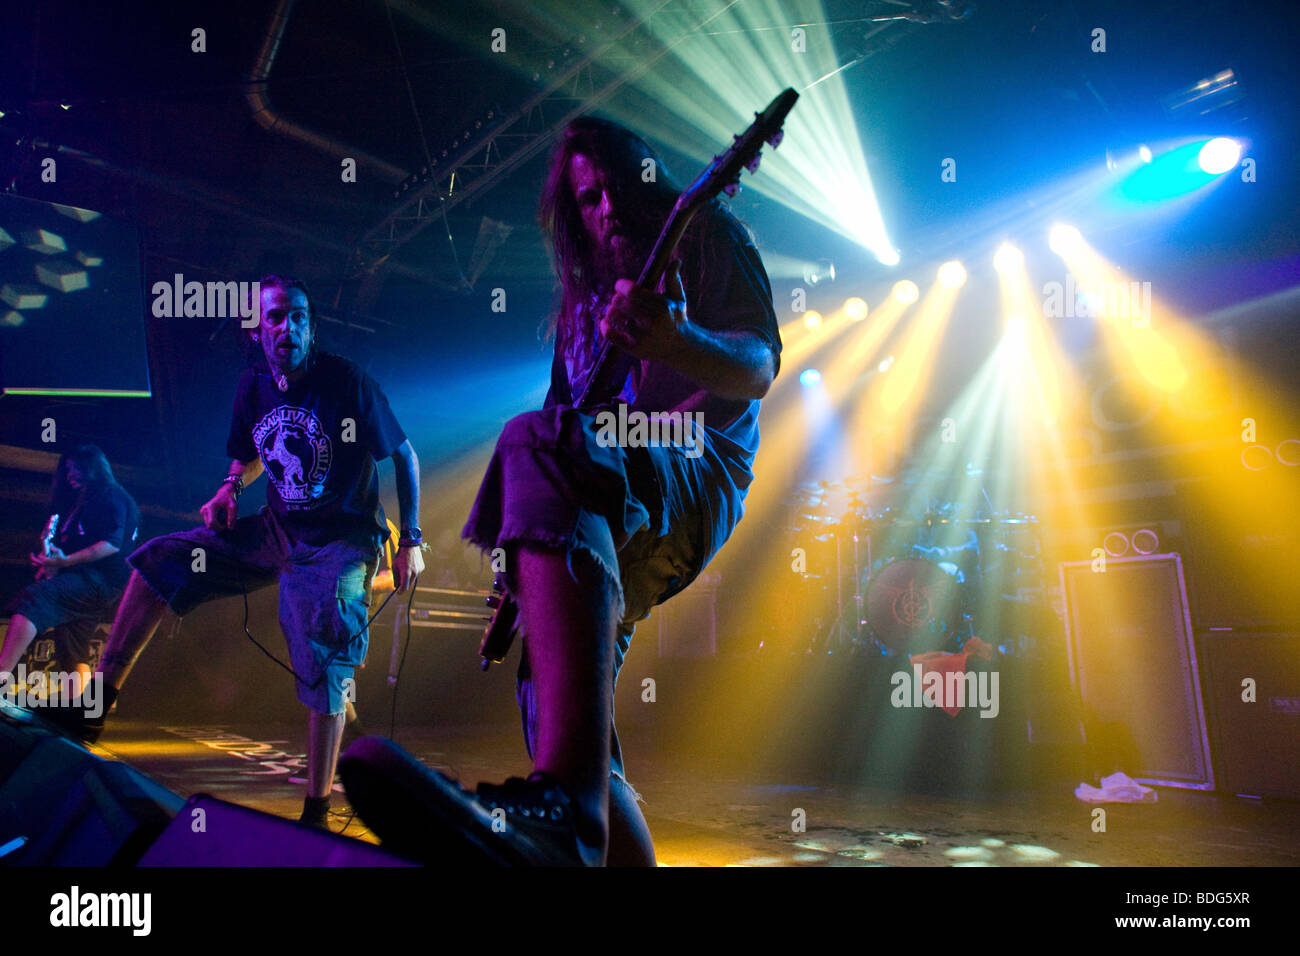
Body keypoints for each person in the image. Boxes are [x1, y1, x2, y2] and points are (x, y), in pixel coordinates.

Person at [343, 117, 781, 865]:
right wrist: (523, 565)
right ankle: (576, 817)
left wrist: (676, 342)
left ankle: (564, 813)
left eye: (619, 186)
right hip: (615, 508)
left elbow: (759, 367)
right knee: (560, 707)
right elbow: (564, 428)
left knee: (529, 439)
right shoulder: (579, 312)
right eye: (587, 199)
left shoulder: (704, 234)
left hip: (695, 467)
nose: (607, 208)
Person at [48, 275, 424, 829]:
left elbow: (405, 457)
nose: (287, 327)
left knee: (322, 646)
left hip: (342, 540)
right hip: (277, 530)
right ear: (257, 330)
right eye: (275, 317)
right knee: (157, 563)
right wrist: (229, 488)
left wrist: (411, 539)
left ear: (310, 325)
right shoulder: (253, 385)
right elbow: (251, 454)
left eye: (298, 316)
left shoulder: (346, 382)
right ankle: (95, 707)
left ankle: (317, 811)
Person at [2, 445, 140, 697]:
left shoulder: (111, 496)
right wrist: (54, 564)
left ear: (93, 469)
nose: (70, 476)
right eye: (67, 471)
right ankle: (77, 710)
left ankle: (1, 676)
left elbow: (110, 544)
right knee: (73, 646)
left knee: (33, 600)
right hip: (99, 584)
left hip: (99, 581)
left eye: (75, 469)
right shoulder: (85, 503)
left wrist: (64, 563)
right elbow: (75, 547)